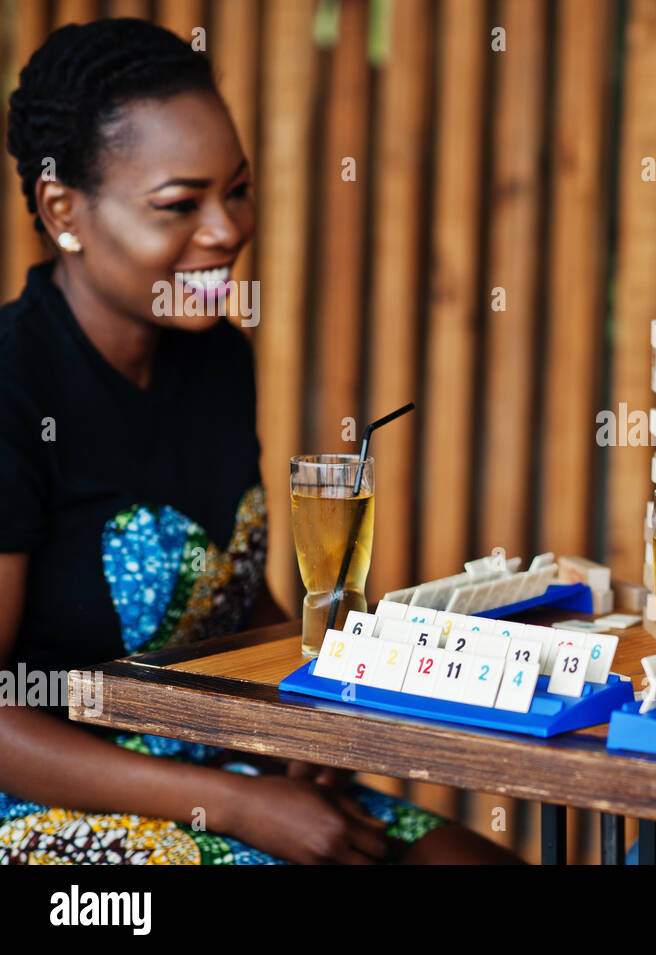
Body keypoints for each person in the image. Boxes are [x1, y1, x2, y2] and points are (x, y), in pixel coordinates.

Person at [0, 19, 517, 864]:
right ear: (64, 210)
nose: (226, 229)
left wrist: (298, 727)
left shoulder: (213, 359)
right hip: (43, 801)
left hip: (226, 766)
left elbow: (237, 604)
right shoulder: (15, 391)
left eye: (236, 190)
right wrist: (234, 804)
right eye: (179, 204)